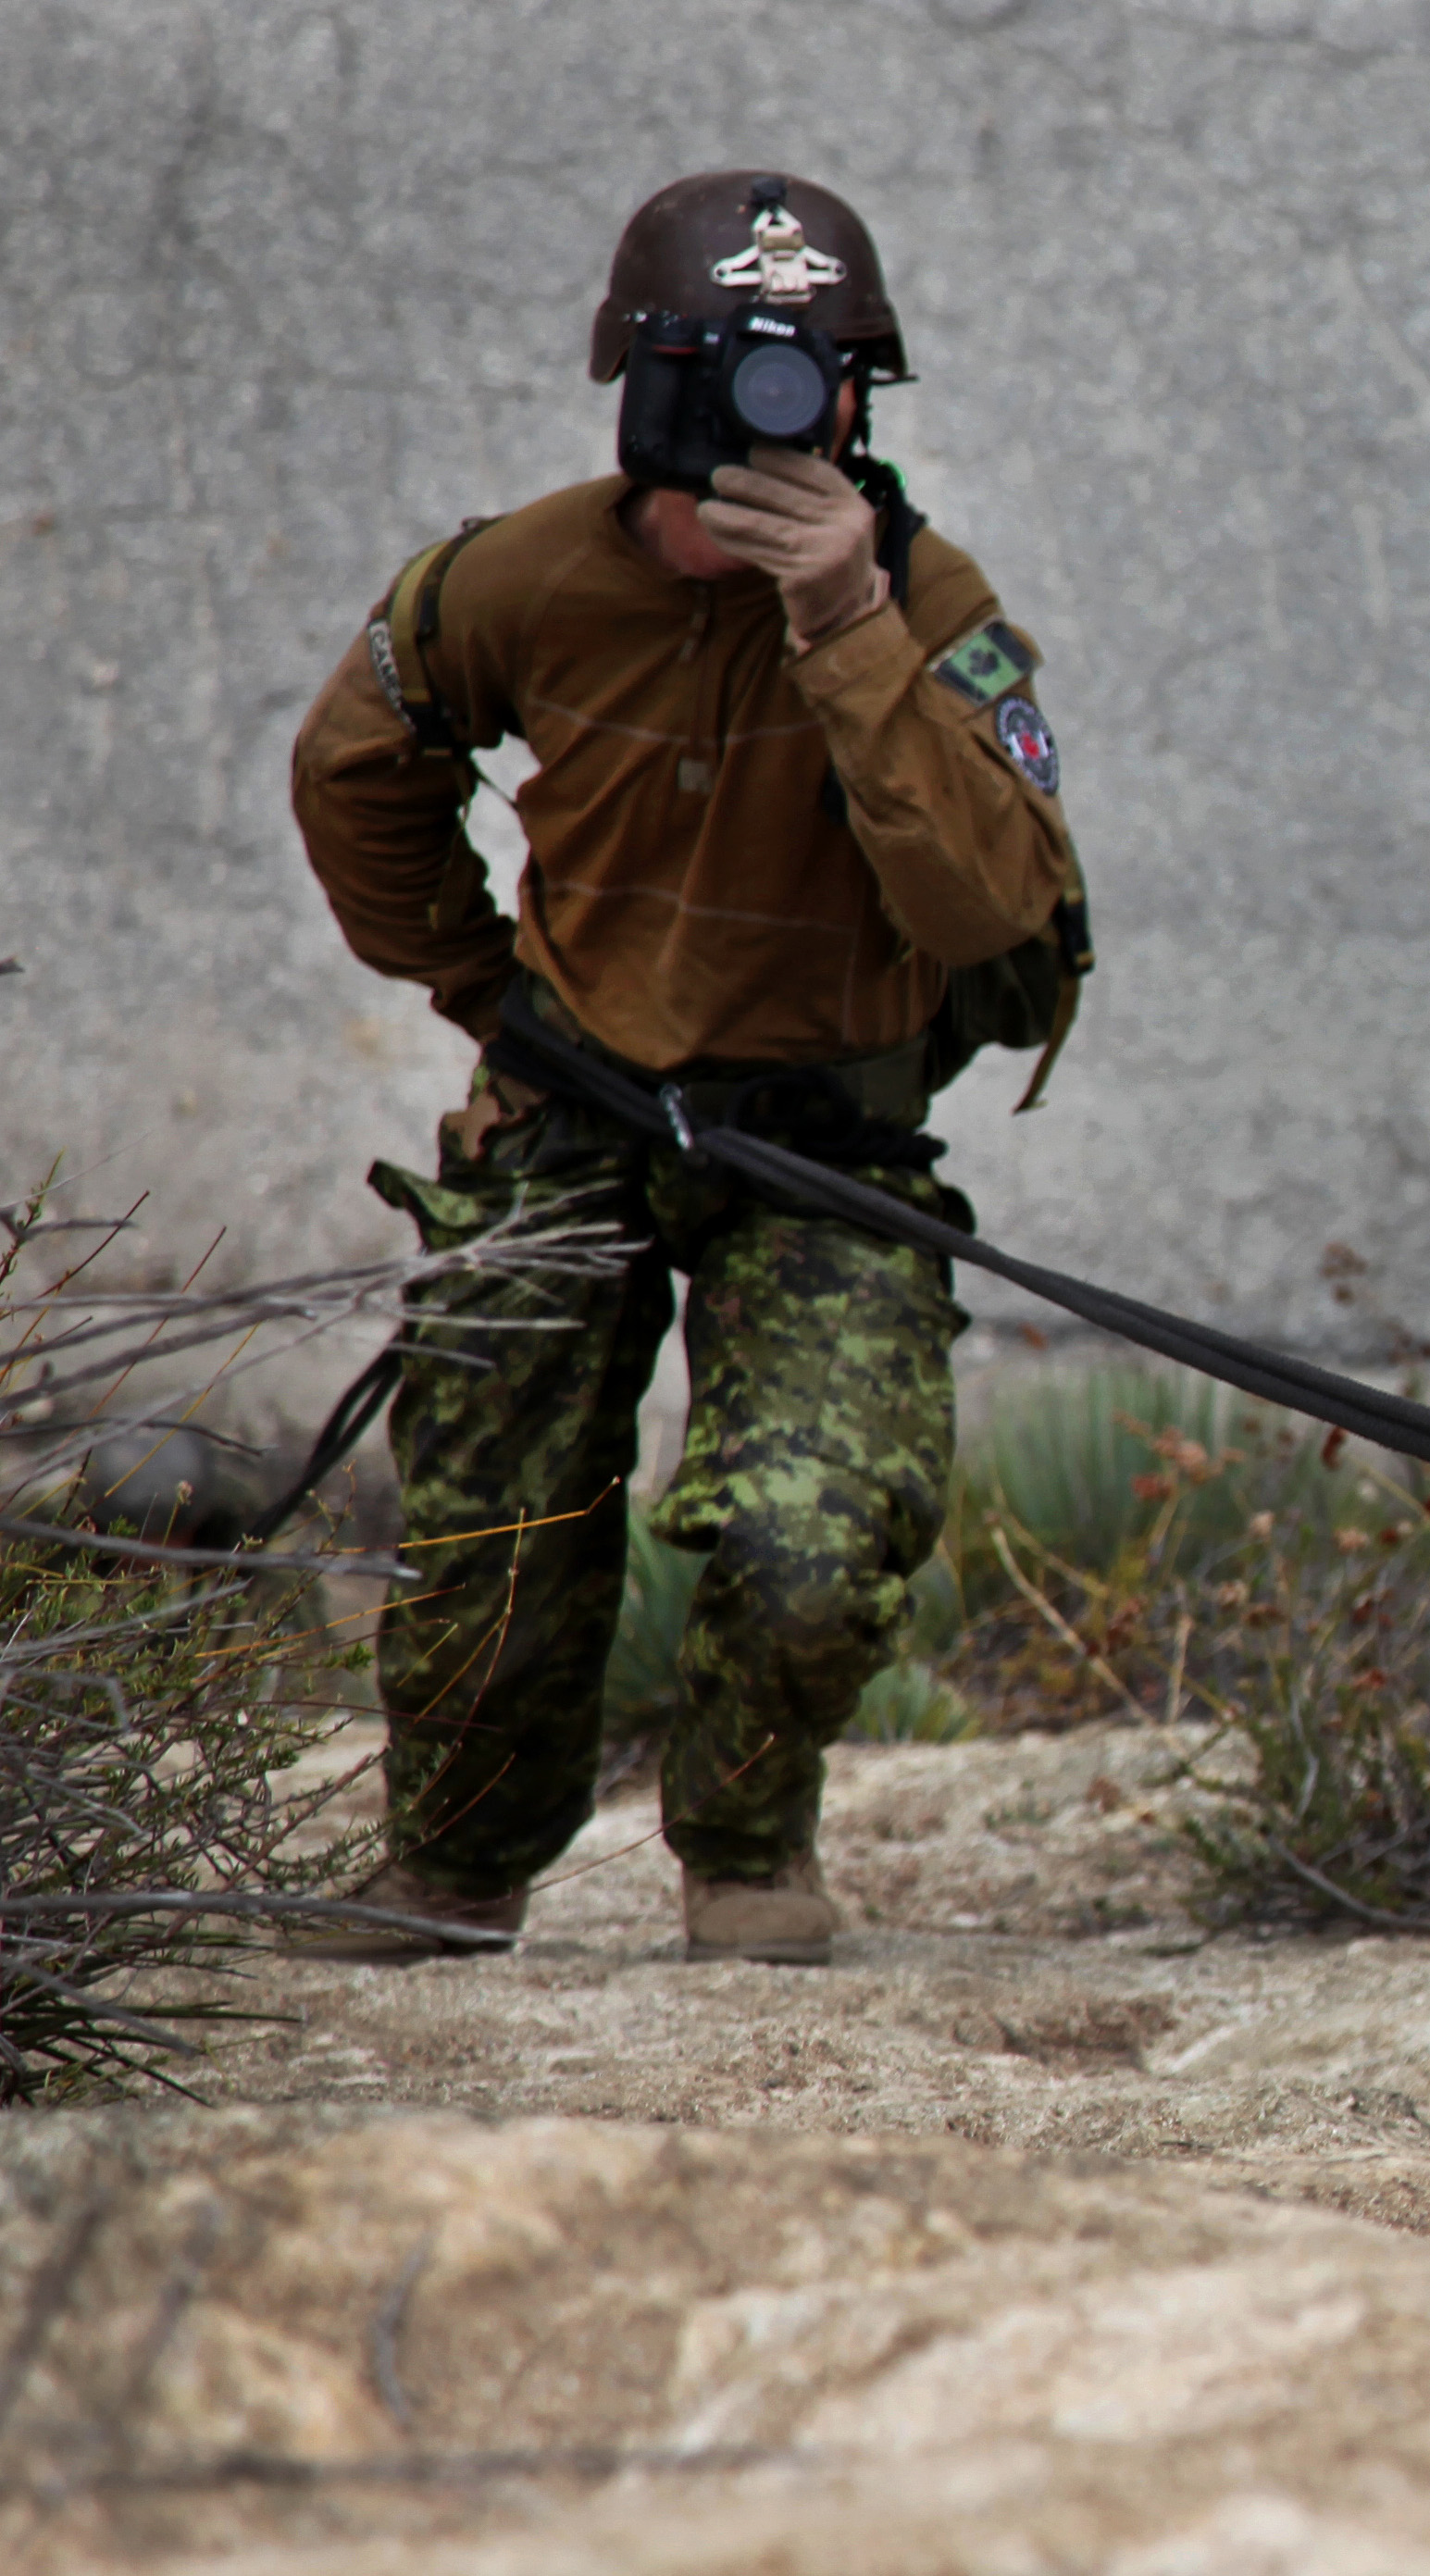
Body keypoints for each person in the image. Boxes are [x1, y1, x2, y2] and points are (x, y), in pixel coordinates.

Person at [290, 170, 1084, 1965]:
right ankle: (454, 1869)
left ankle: (746, 1851)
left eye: (807, 380)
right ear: (632, 387)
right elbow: (355, 763)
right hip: (573, 1099)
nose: (763, 419)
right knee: (495, 1510)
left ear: (864, 400)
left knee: (816, 1527)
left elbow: (983, 907)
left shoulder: (927, 608)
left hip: (821, 1138)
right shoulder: (523, 578)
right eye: (716, 379)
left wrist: (843, 628)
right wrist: (477, 984)